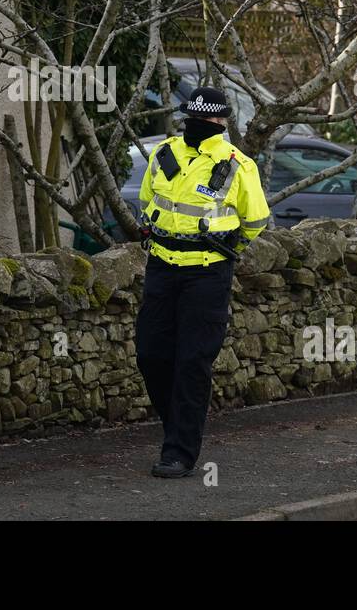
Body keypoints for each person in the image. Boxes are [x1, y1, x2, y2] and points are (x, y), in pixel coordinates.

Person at [134, 86, 271, 478]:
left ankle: (179, 451)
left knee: (193, 362)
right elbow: (148, 202)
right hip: (162, 267)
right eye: (196, 119)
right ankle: (176, 425)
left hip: (208, 273)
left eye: (209, 122)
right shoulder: (164, 155)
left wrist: (229, 247)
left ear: (222, 123)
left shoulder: (237, 164)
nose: (201, 126)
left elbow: (256, 221)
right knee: (151, 355)